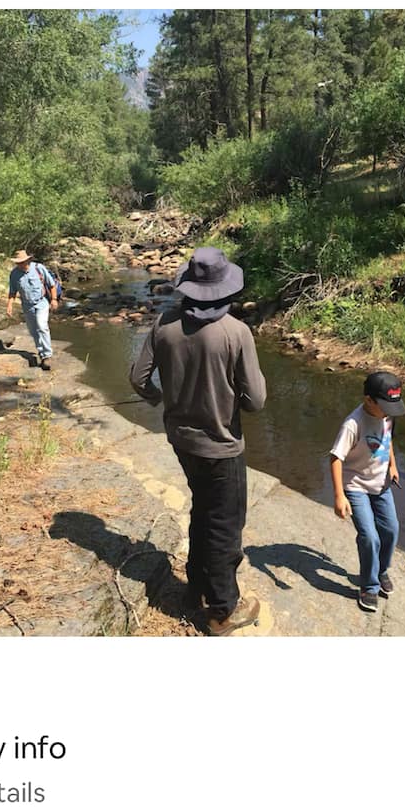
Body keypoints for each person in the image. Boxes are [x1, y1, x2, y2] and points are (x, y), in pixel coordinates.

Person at [129, 247, 267, 637]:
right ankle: (222, 610)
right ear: (226, 290)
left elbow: (138, 380)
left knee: (203, 508)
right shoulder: (236, 332)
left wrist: (162, 399)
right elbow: (256, 402)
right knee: (225, 525)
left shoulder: (164, 324)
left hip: (182, 442)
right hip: (222, 447)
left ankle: (196, 587)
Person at [330, 370, 405, 614]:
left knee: (391, 528)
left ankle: (381, 570)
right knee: (370, 536)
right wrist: (339, 495)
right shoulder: (353, 424)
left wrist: (393, 465)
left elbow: (388, 438)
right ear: (368, 400)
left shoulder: (387, 415)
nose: (388, 413)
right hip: (355, 485)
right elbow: (335, 458)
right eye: (384, 406)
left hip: (381, 483)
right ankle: (369, 586)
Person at [6, 249, 58, 370]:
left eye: (22, 262)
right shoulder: (14, 274)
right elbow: (12, 292)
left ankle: (47, 355)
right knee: (34, 331)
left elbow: (51, 285)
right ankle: (41, 352)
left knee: (42, 326)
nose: (19, 264)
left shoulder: (39, 268)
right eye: (17, 262)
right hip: (27, 306)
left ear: (28, 260)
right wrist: (9, 305)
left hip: (41, 303)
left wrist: (54, 300)